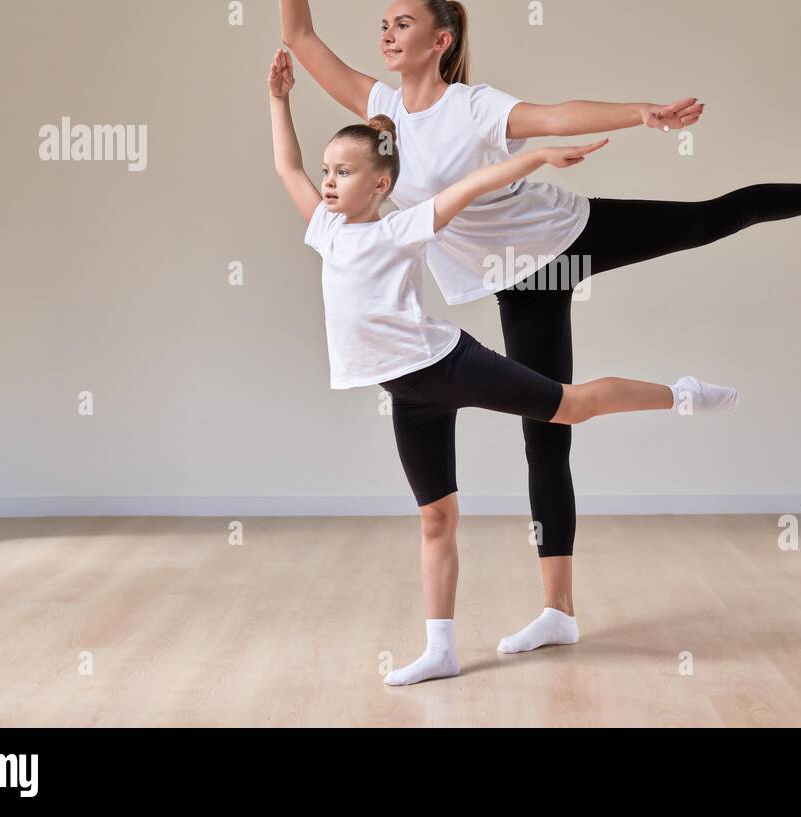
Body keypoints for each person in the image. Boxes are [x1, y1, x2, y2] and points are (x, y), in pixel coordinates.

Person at [276, 0, 801, 657]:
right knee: (547, 428)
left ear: (439, 41)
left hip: (565, 233)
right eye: (382, 23)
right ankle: (559, 610)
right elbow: (301, 40)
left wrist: (640, 114)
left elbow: (553, 115)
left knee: (716, 217)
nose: (385, 33)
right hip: (518, 278)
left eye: (401, 24)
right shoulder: (379, 113)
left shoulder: (473, 107)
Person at [269, 49, 741, 684]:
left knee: (569, 405)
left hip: (447, 364)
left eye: (344, 172)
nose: (328, 182)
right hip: (407, 393)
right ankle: (440, 649)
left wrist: (537, 157)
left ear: (380, 185)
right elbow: (286, 165)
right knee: (436, 517)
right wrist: (279, 100)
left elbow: (471, 187)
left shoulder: (403, 227)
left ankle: (679, 394)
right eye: (329, 171)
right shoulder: (325, 230)